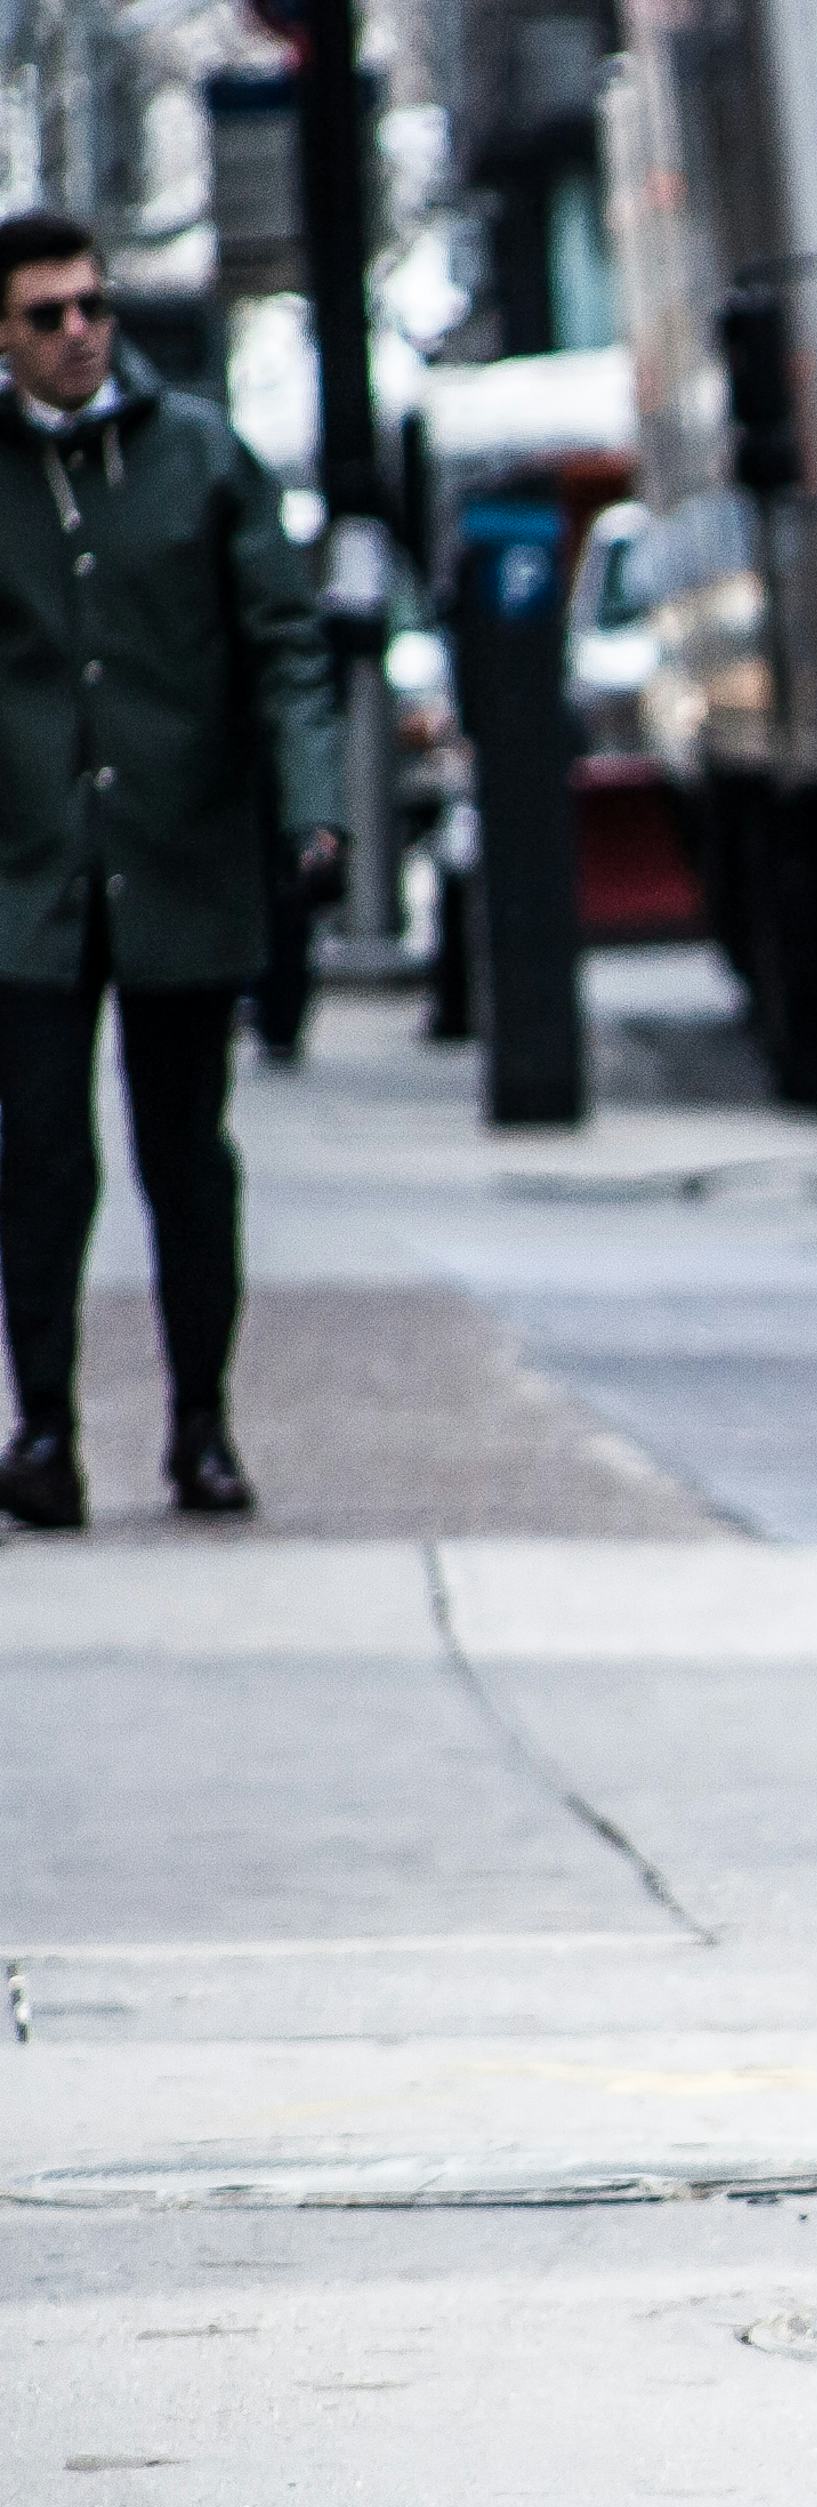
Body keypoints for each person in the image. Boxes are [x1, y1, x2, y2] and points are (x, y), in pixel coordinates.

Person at [0, 210, 342, 1527]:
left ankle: (202, 1426)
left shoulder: (199, 455)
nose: (80, 331)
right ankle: (41, 1434)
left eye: (94, 306)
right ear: (7, 335)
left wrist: (315, 811)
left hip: (181, 859)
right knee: (40, 1157)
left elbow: (287, 647)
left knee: (184, 1154)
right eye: (48, 314)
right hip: (32, 876)